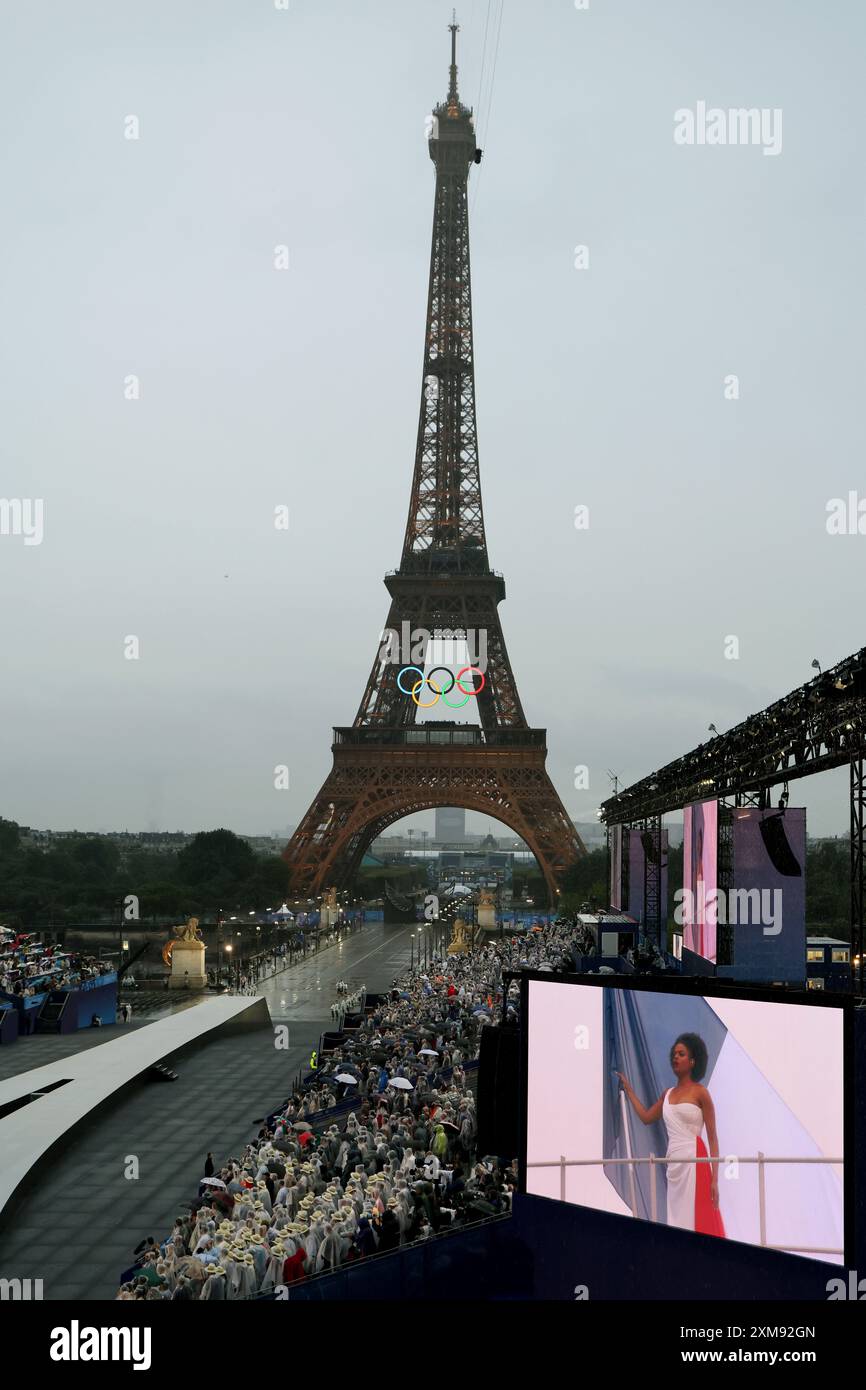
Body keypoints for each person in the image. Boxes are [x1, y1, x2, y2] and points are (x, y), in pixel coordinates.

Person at [616, 1032, 725, 1238]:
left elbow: (712, 1137)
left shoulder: (701, 1093)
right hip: (673, 1161)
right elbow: (647, 1117)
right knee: (677, 1220)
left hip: (696, 1160)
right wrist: (629, 1090)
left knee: (698, 1219)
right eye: (674, 1054)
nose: (675, 1057)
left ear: (692, 1061)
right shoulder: (667, 1094)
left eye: (681, 1054)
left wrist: (715, 1179)